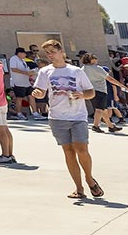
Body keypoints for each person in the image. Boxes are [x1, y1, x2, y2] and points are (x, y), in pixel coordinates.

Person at [31, 40, 102, 200]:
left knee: (82, 150)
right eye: (47, 53)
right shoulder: (45, 72)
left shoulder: (76, 71)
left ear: (61, 51)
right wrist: (38, 94)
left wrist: (82, 95)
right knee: (68, 152)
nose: (50, 55)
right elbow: (41, 92)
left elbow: (91, 92)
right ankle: (79, 188)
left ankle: (89, 179)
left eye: (52, 51)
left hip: (78, 116)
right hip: (57, 117)